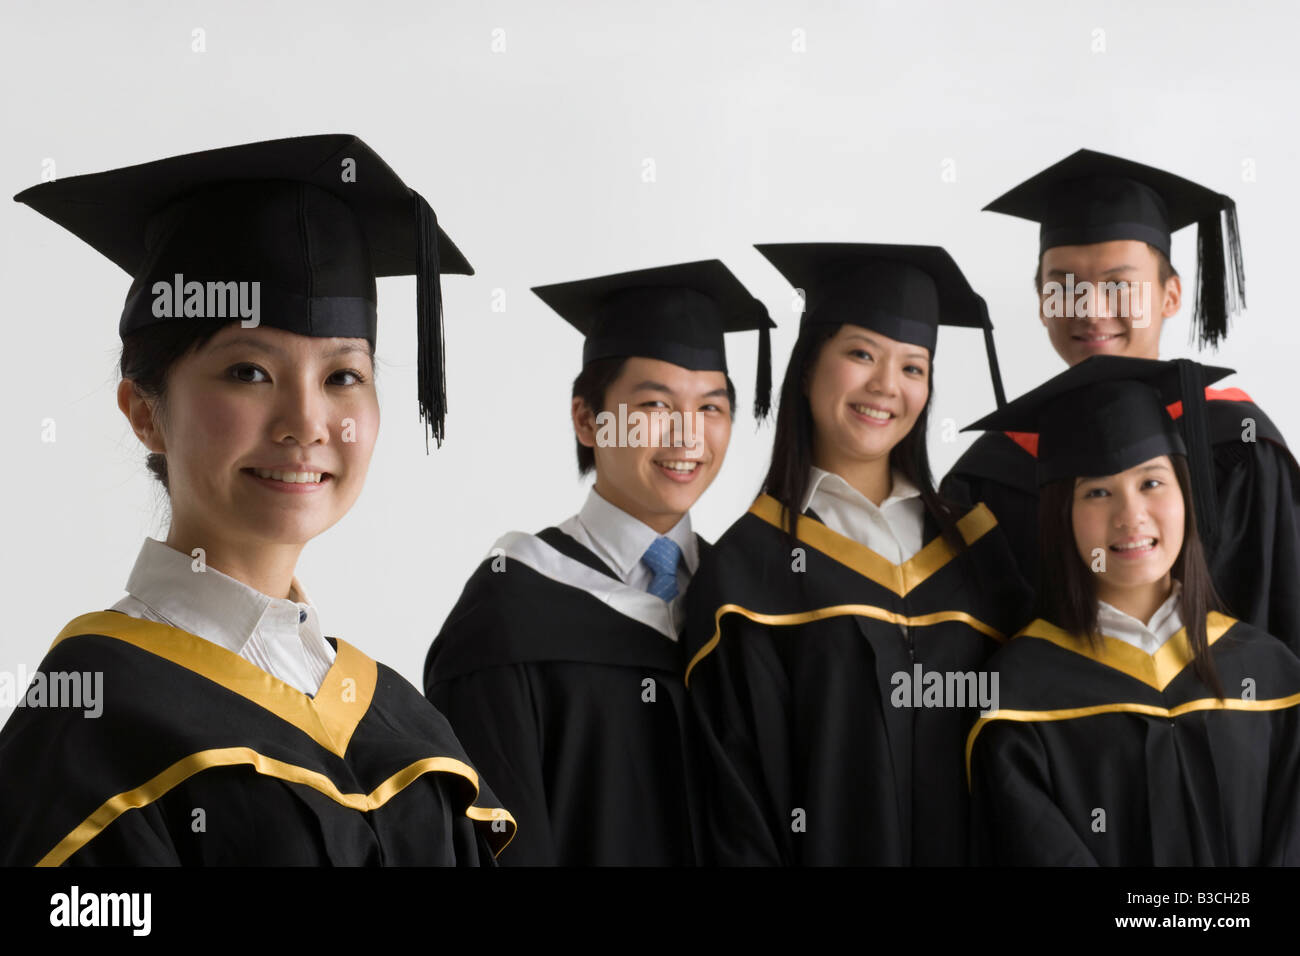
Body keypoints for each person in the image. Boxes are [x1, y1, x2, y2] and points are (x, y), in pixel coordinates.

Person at [0, 134, 515, 866]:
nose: (306, 424)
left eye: (343, 377)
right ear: (145, 412)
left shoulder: (401, 715)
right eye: (247, 371)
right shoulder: (88, 720)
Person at [682, 243, 1031, 865]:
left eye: (913, 367)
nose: (885, 387)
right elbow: (736, 802)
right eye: (861, 354)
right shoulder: (747, 571)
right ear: (810, 363)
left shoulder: (980, 554)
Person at [424, 259, 773, 865]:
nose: (688, 436)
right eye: (656, 405)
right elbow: (498, 844)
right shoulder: (509, 613)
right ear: (587, 419)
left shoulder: (747, 601)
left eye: (712, 408)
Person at [942, 149, 1300, 655]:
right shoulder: (990, 476)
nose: (1091, 310)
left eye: (1119, 286)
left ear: (1171, 296)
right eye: (1064, 287)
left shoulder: (1241, 448)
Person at [965, 356, 1300, 865]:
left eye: (1151, 482)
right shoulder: (1019, 696)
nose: (1130, 516)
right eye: (1097, 492)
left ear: (1188, 496)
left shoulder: (1272, 677)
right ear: (1062, 516)